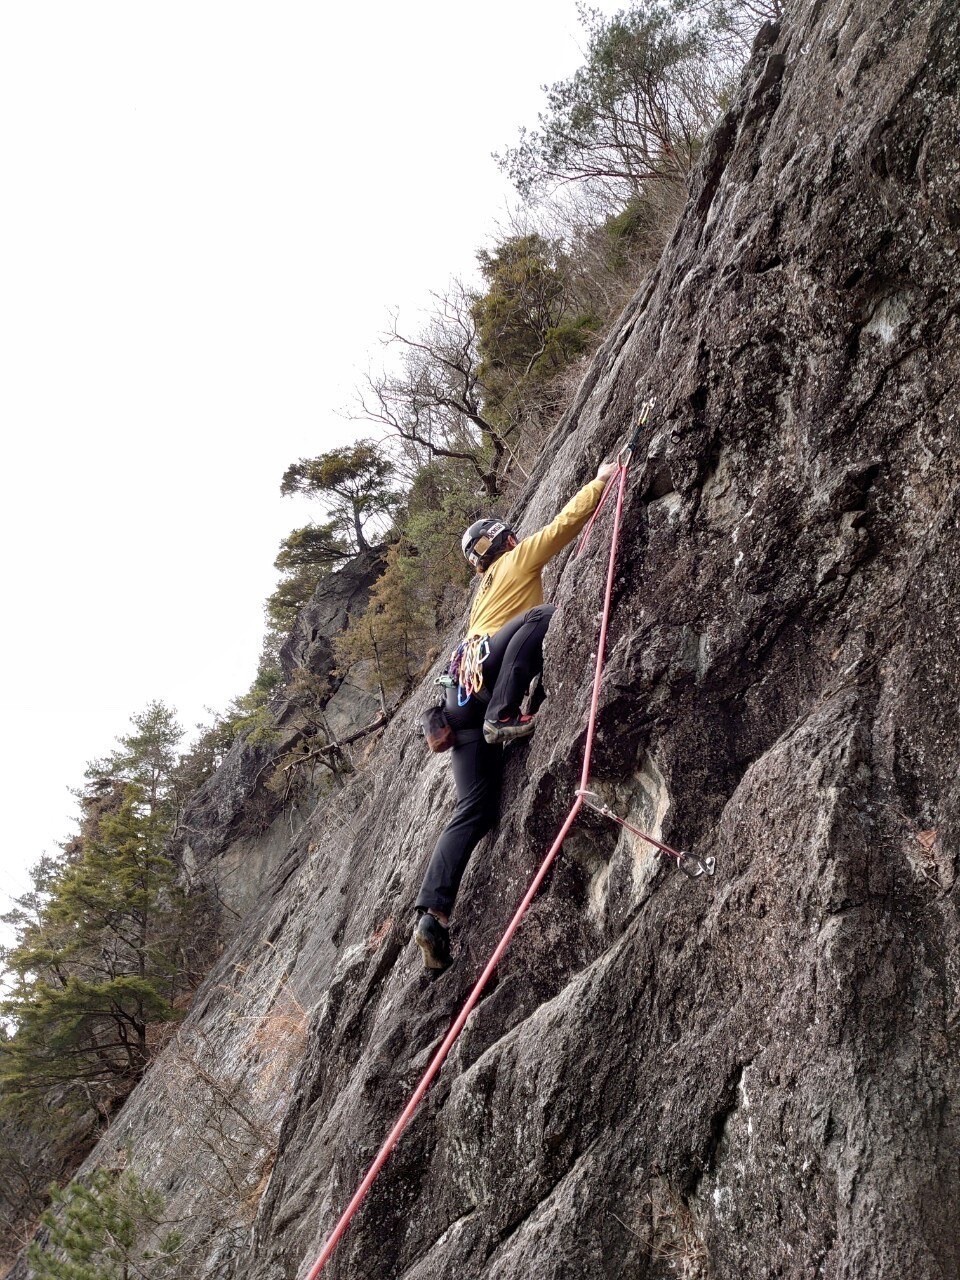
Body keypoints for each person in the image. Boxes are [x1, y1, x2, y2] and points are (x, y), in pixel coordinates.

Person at [414, 459, 618, 974]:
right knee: (546, 616)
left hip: (457, 700)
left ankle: (433, 913)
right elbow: (560, 529)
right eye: (510, 537)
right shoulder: (513, 564)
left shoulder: (482, 593)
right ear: (503, 542)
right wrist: (601, 480)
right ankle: (504, 714)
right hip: (484, 689)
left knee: (474, 810)